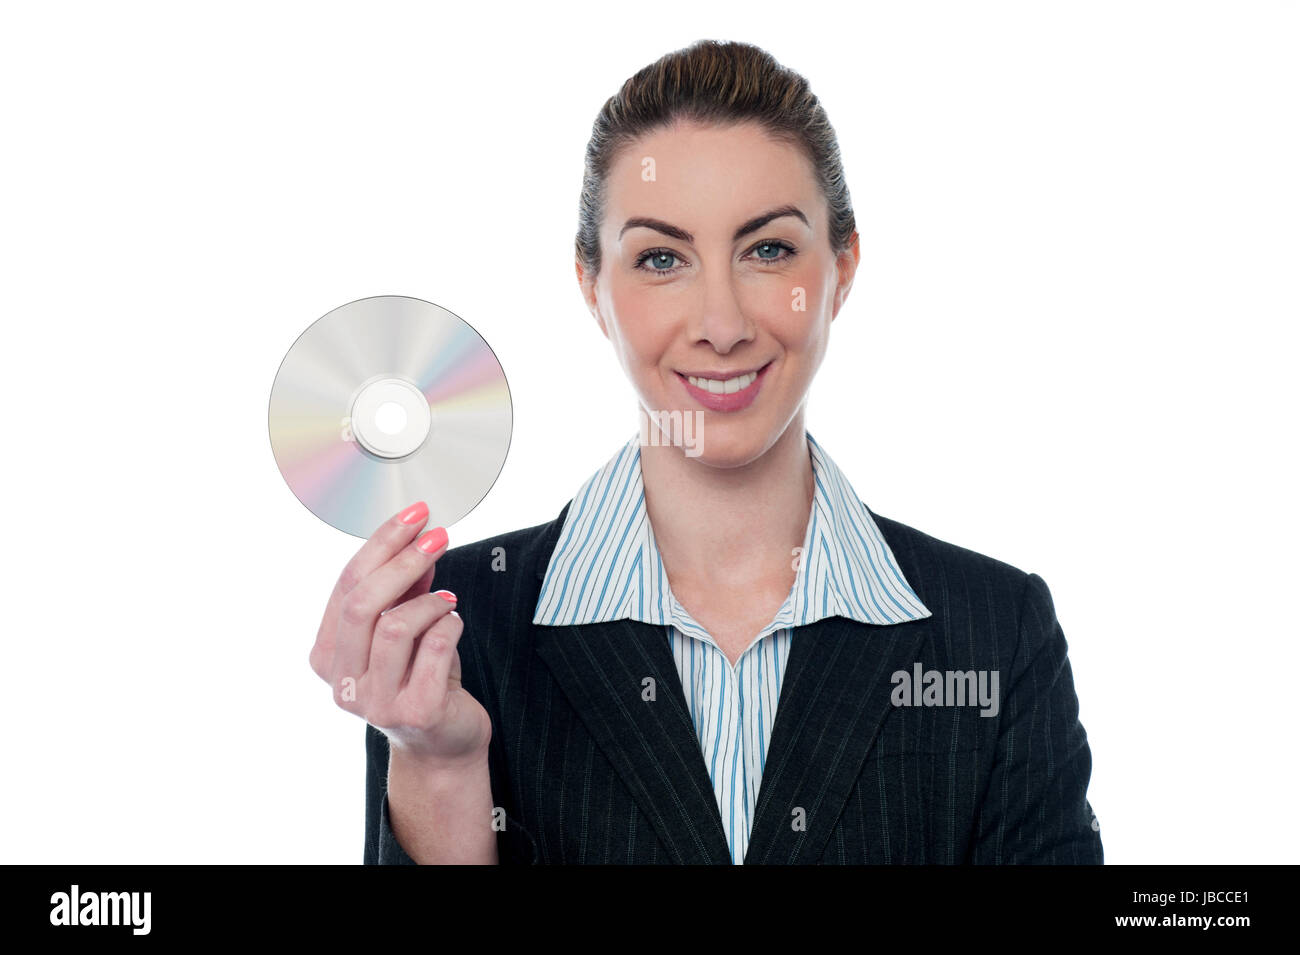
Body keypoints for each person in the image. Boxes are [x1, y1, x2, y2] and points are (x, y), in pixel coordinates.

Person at [310, 38, 1103, 865]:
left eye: (768, 250)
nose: (722, 324)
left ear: (842, 265)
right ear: (592, 287)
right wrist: (438, 760)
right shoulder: (456, 626)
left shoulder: (995, 631)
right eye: (661, 258)